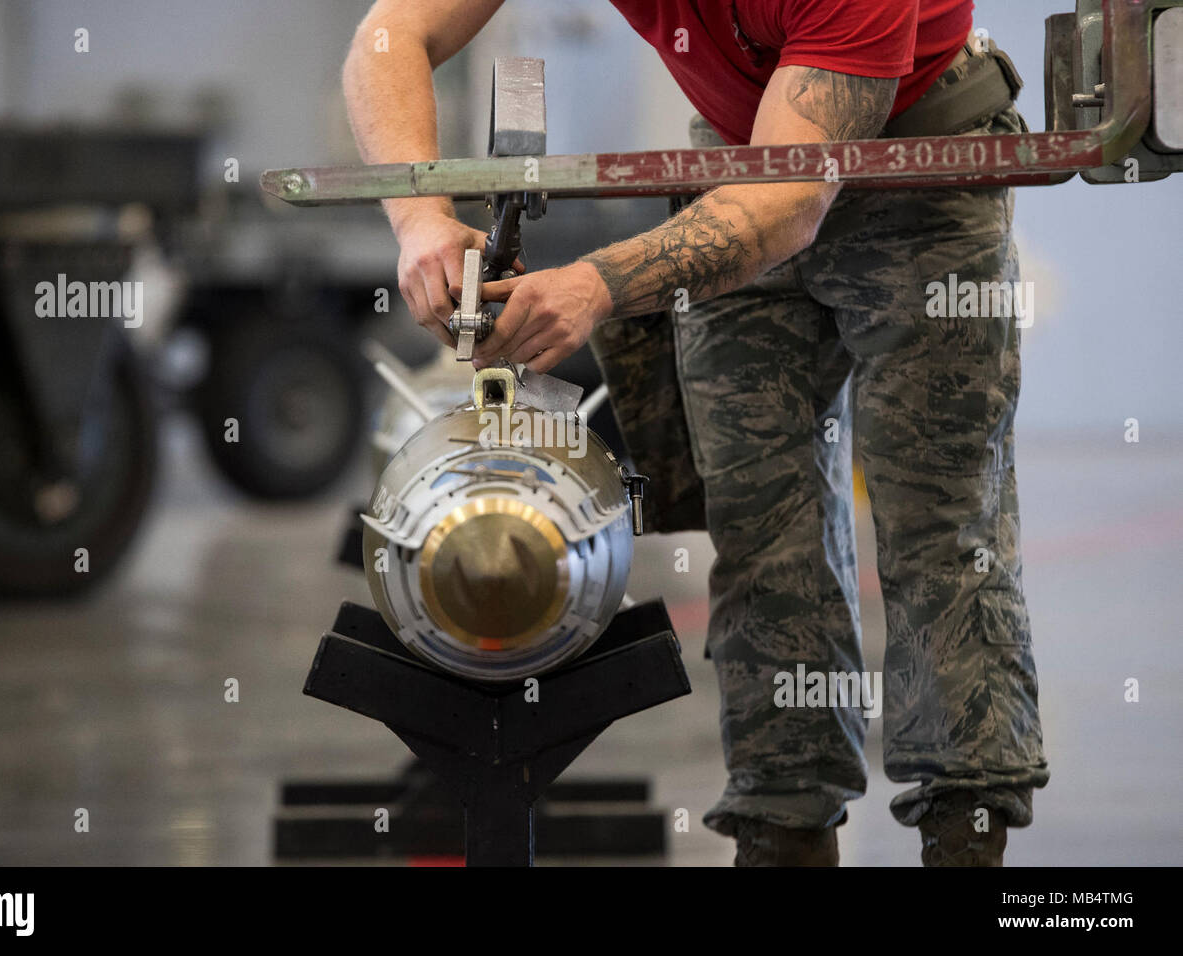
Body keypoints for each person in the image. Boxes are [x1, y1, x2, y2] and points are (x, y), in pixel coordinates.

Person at [342, 0, 1049, 866]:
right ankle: (783, 828)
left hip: (918, 174)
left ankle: (963, 834)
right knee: (758, 529)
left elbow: (786, 205)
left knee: (942, 525)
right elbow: (389, 37)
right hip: (737, 159)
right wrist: (418, 220)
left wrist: (597, 284)